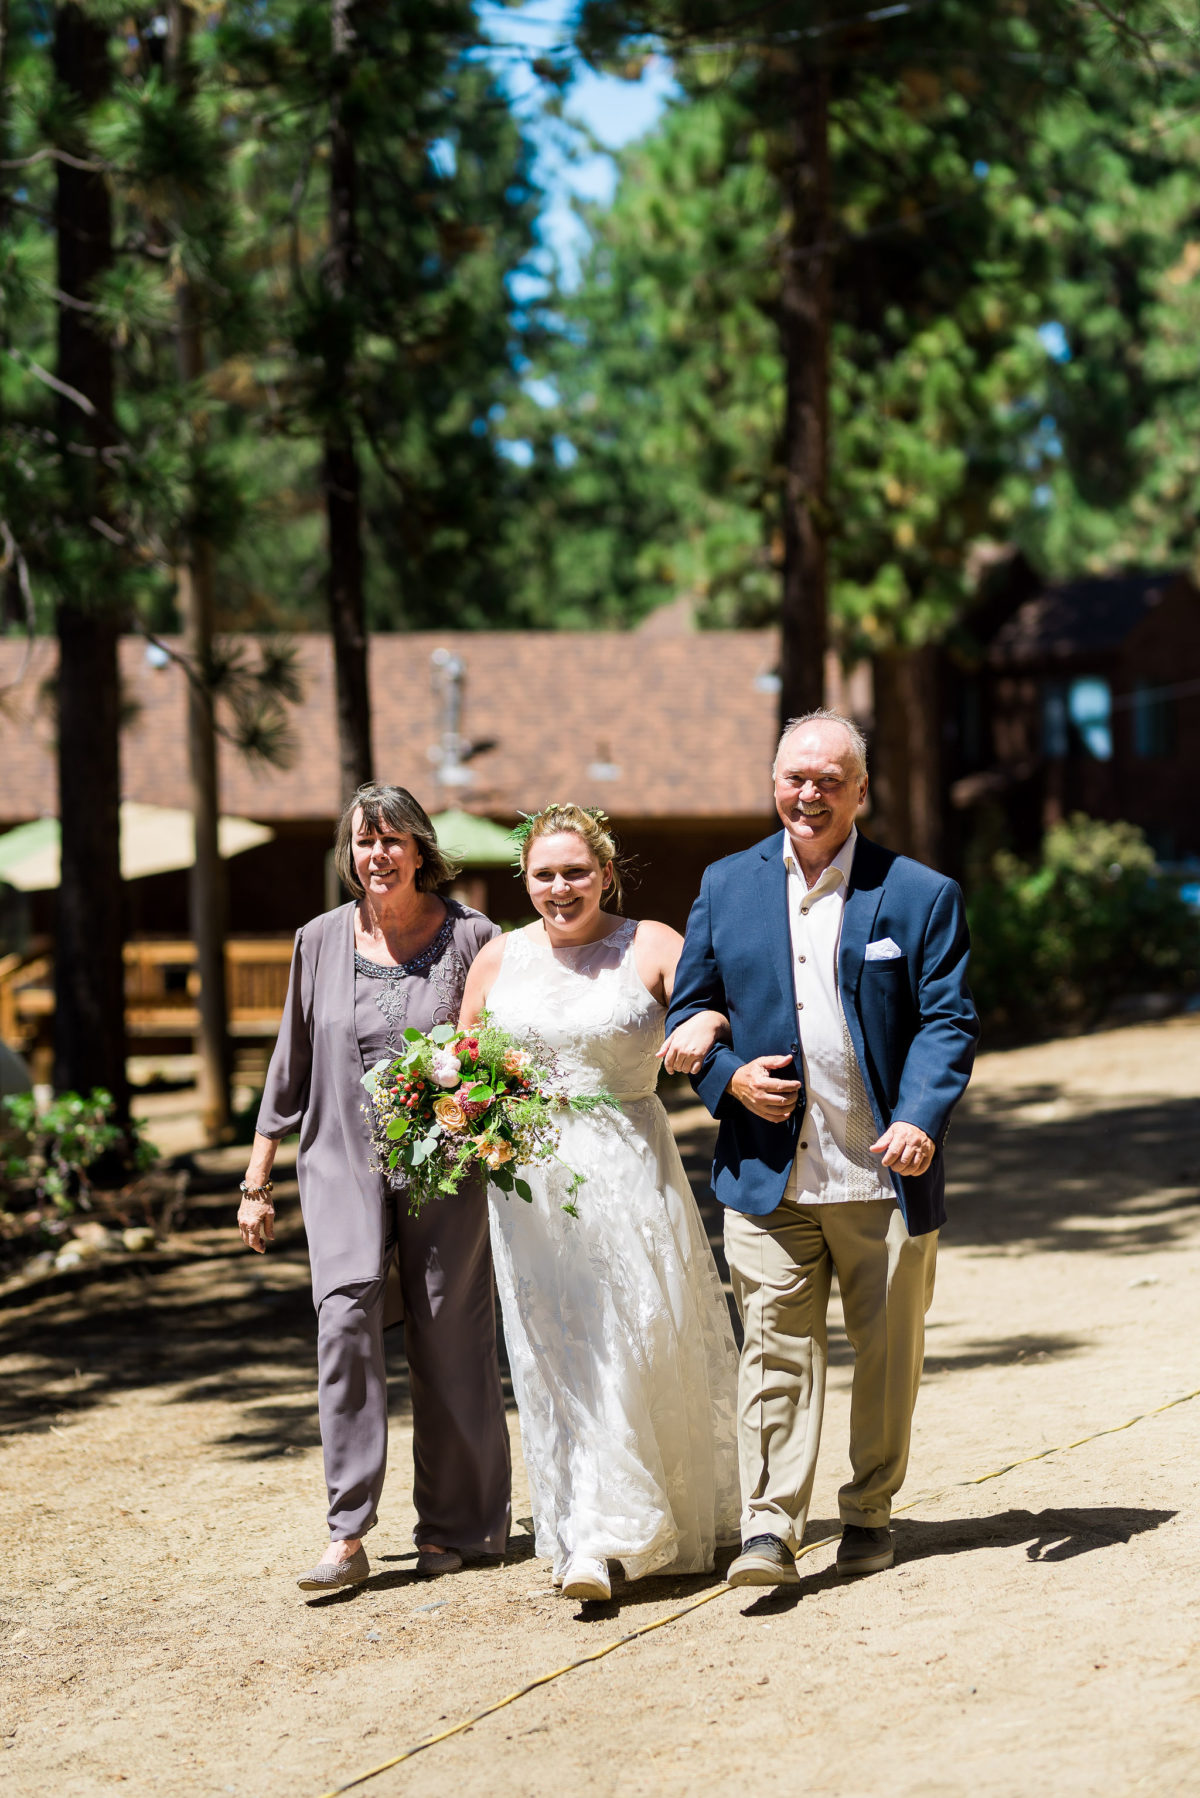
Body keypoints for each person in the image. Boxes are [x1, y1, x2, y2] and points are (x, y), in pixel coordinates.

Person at [666, 710, 979, 1586]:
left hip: (884, 1177)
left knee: (886, 1363)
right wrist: (726, 1076)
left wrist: (920, 1115)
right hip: (767, 1178)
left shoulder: (918, 894)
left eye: (830, 780)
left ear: (861, 792)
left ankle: (871, 1511)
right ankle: (770, 1529)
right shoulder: (725, 886)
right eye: (796, 778)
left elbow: (948, 1021)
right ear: (773, 784)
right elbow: (691, 1008)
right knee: (772, 1354)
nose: (810, 794)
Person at [459, 803, 741, 1603]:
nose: (559, 887)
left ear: (606, 871)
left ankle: (633, 1519)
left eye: (575, 871)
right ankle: (590, 1536)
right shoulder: (499, 957)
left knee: (637, 1336)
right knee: (560, 1350)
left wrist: (708, 1022)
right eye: (543, 874)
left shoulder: (650, 942)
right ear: (526, 880)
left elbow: (720, 1002)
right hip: (531, 1187)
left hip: (629, 1168)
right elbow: (463, 1057)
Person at [237, 783, 511, 1591]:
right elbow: (288, 1064)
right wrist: (258, 1178)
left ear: (421, 849)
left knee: (450, 1339)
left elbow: (499, 1052)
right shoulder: (317, 940)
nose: (378, 855)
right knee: (344, 1326)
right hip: (338, 1166)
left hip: (445, 1169)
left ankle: (454, 1527)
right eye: (363, 842)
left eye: (393, 840)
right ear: (347, 856)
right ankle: (347, 1533)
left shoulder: (473, 935)